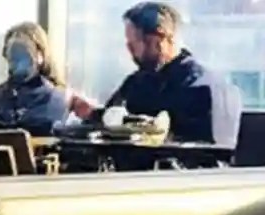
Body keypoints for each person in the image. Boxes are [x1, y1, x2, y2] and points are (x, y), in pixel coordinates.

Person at [90, 2, 241, 145]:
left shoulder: (203, 90)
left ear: (157, 41)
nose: (130, 52)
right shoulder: (137, 83)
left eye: (133, 45)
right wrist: (92, 114)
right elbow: (109, 119)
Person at [0, 22, 79, 136]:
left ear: (40, 55)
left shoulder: (56, 96)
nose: (16, 61)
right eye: (11, 54)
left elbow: (44, 123)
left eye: (23, 52)